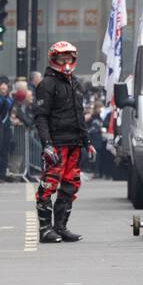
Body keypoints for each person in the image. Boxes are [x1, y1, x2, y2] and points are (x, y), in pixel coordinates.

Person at [35, 41, 93, 243]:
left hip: (74, 144)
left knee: (71, 185)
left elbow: (80, 114)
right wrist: (47, 144)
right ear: (54, 59)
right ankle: (45, 229)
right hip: (56, 144)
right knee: (48, 184)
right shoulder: (46, 84)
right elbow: (41, 116)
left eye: (69, 58)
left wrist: (87, 142)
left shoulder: (76, 83)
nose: (66, 62)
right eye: (62, 58)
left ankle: (61, 227)